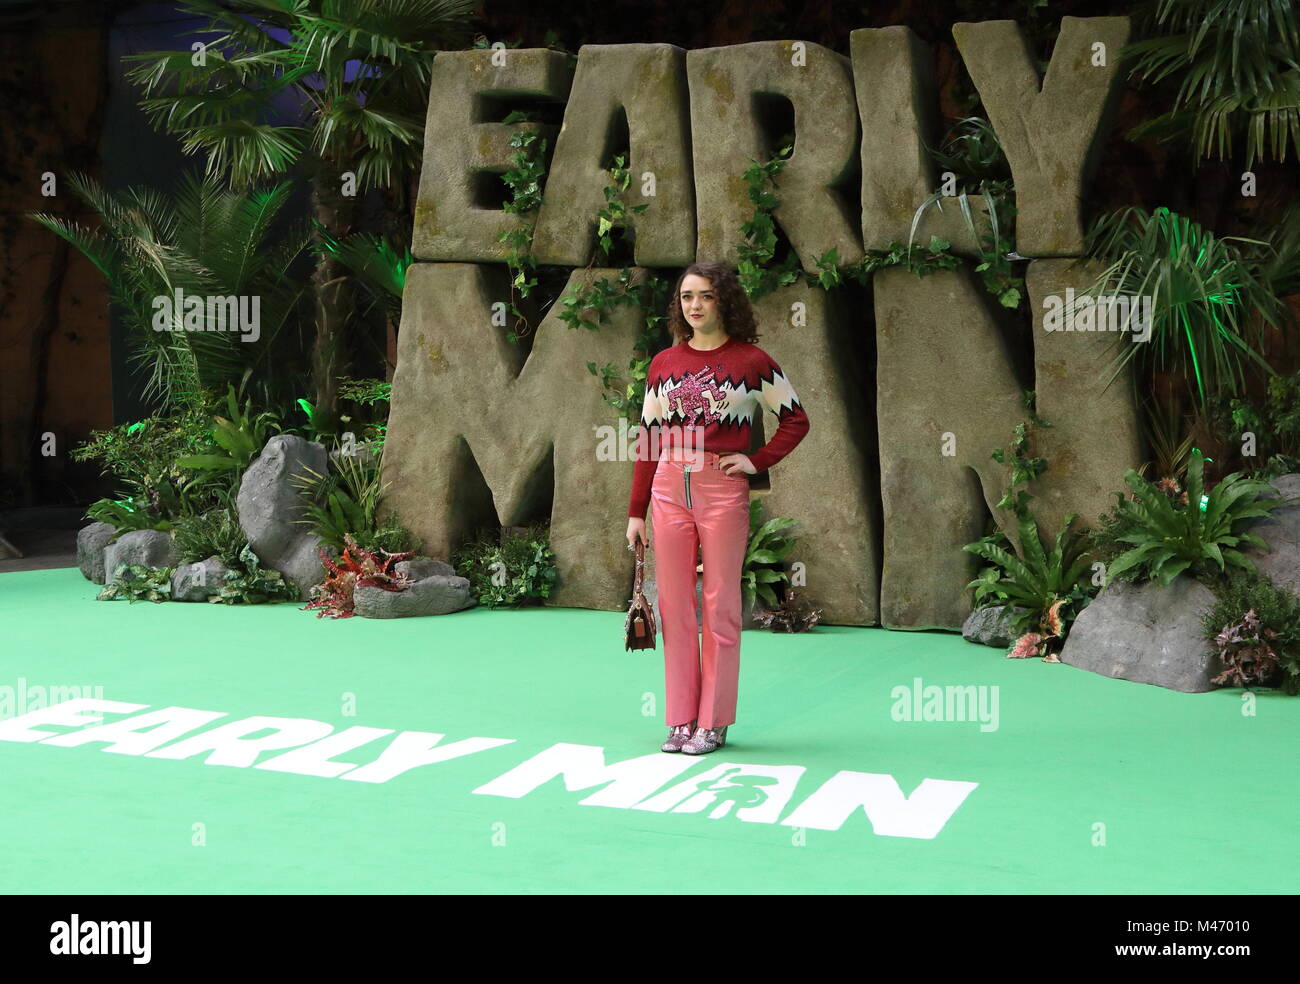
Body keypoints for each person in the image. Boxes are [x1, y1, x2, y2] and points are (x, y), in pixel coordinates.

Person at [625, 261, 810, 755]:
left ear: (724, 301)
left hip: (720, 488)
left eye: (705, 296)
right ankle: (680, 718)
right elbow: (648, 439)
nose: (695, 306)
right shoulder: (663, 363)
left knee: (721, 603)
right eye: (687, 297)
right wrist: (635, 511)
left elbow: (795, 420)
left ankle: (714, 720)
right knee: (674, 605)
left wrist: (756, 460)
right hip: (667, 484)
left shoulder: (752, 362)